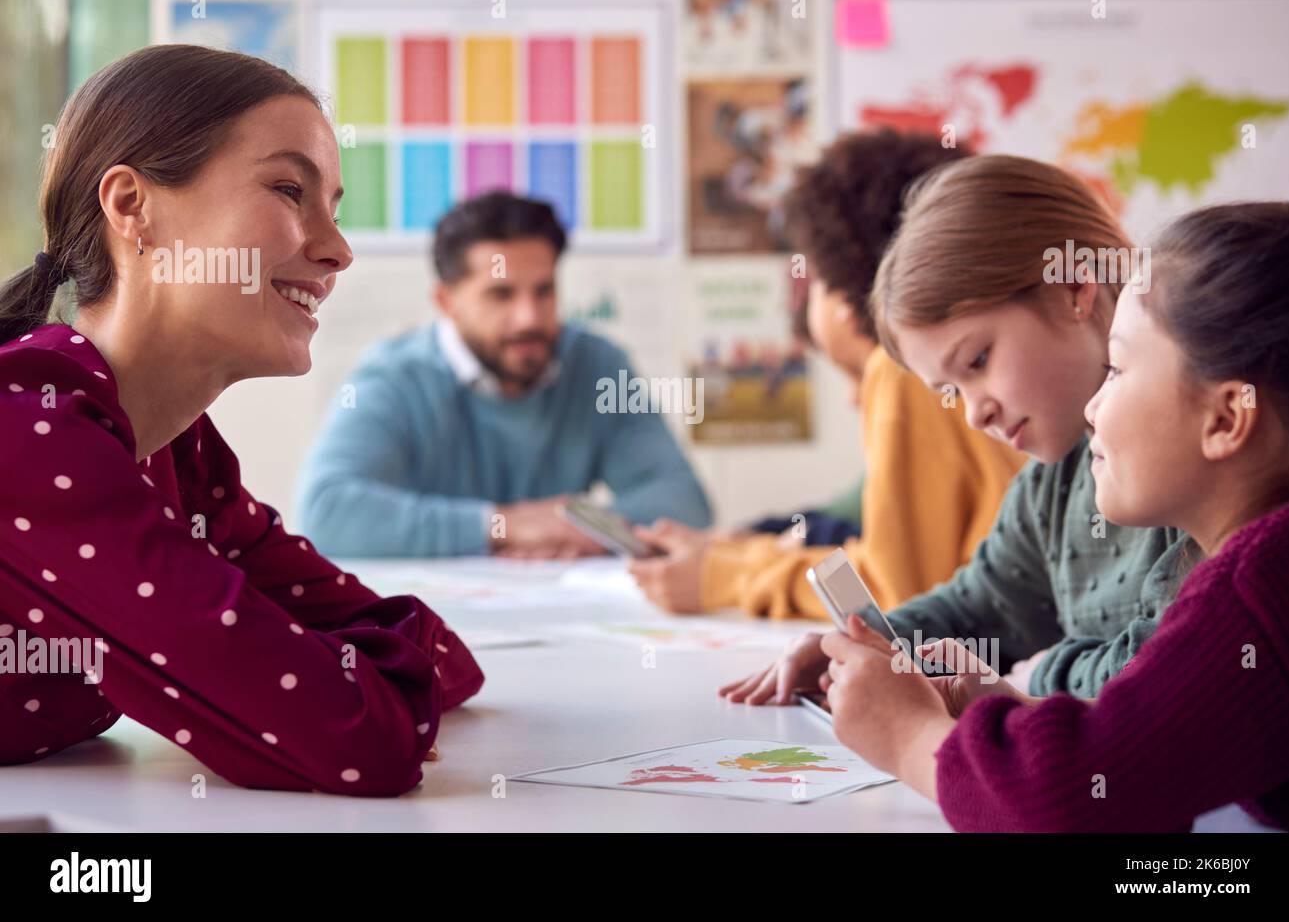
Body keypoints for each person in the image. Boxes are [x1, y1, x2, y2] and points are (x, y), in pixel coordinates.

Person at [0, 44, 483, 796]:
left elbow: (437, 653)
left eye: (335, 207)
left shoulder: (174, 451)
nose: (338, 250)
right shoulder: (27, 432)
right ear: (133, 206)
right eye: (290, 190)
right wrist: (325, 668)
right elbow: (357, 739)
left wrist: (336, 667)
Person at [823, 203, 1289, 831]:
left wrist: (909, 735)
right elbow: (1136, 759)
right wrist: (1012, 706)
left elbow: (1075, 801)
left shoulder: (1262, 589)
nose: (1094, 409)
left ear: (1226, 419)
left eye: (1120, 369)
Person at [720, 155, 1194, 705]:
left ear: (1072, 288)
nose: (976, 414)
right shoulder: (1052, 485)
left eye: (977, 362)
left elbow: (1158, 671)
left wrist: (1035, 675)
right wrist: (867, 647)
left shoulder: (1186, 453)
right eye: (951, 390)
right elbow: (979, 610)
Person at [630, 130, 1024, 617]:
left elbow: (894, 594)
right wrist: (730, 556)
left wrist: (725, 578)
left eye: (813, 275)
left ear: (840, 295)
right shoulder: (965, 362)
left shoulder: (902, 372)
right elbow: (900, 565)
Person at [296, 190, 712, 559]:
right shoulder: (394, 377)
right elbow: (327, 514)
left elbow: (685, 502)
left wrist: (584, 529)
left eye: (544, 291)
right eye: (502, 294)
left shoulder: (598, 366)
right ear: (447, 301)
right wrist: (503, 526)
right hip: (435, 623)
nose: (529, 317)